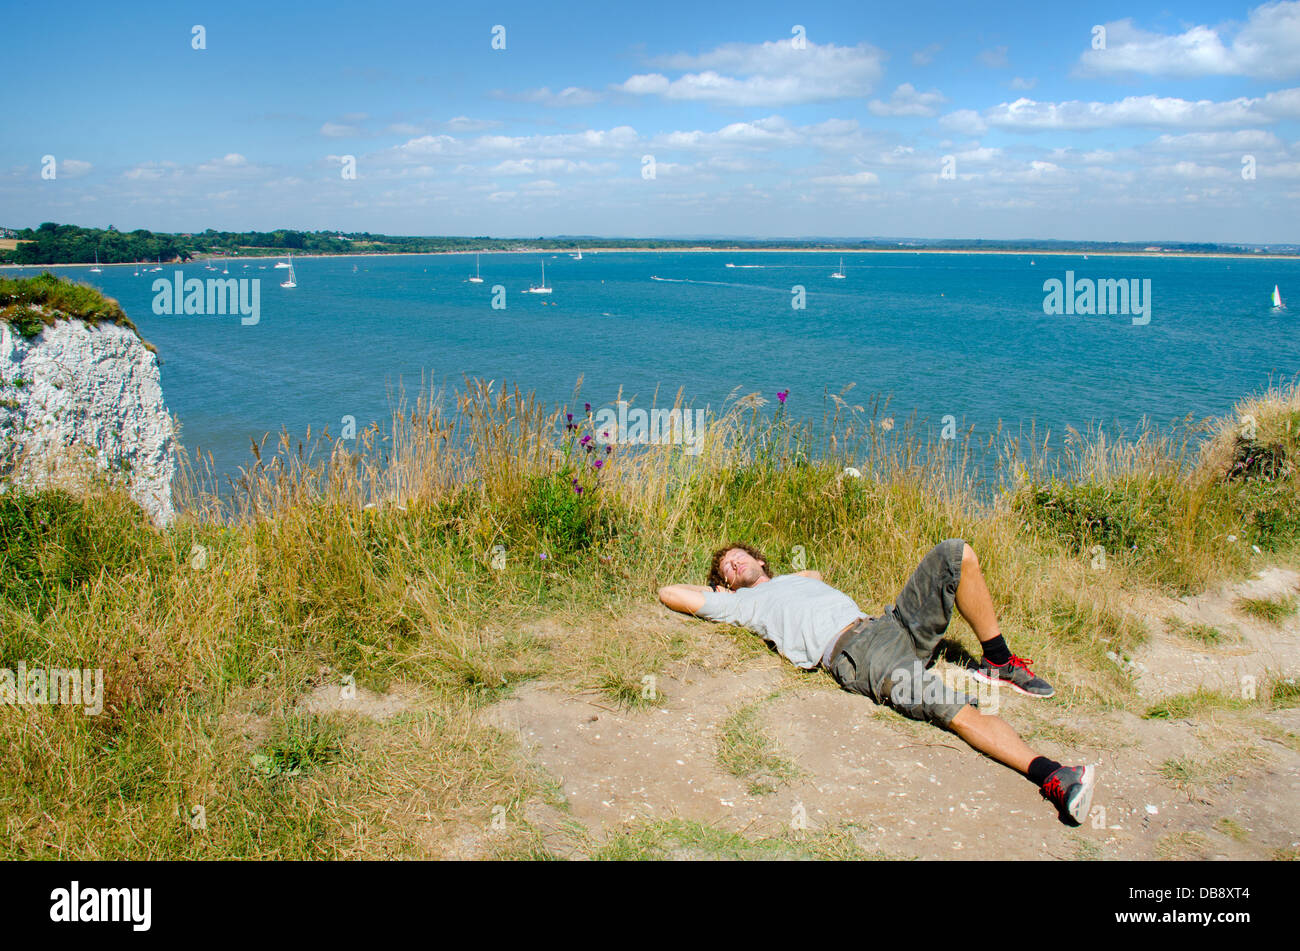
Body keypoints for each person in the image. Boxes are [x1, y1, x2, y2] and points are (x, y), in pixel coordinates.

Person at [657, 538, 1098, 825]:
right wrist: (720, 593)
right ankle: (1053, 776)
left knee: (955, 554)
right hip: (862, 653)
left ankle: (998, 662)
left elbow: (810, 578)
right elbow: (670, 594)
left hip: (888, 624)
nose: (731, 565)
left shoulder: (794, 579)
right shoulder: (743, 605)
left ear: (760, 559)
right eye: (725, 569)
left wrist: (776, 577)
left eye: (737, 557)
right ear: (727, 586)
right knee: (951, 709)